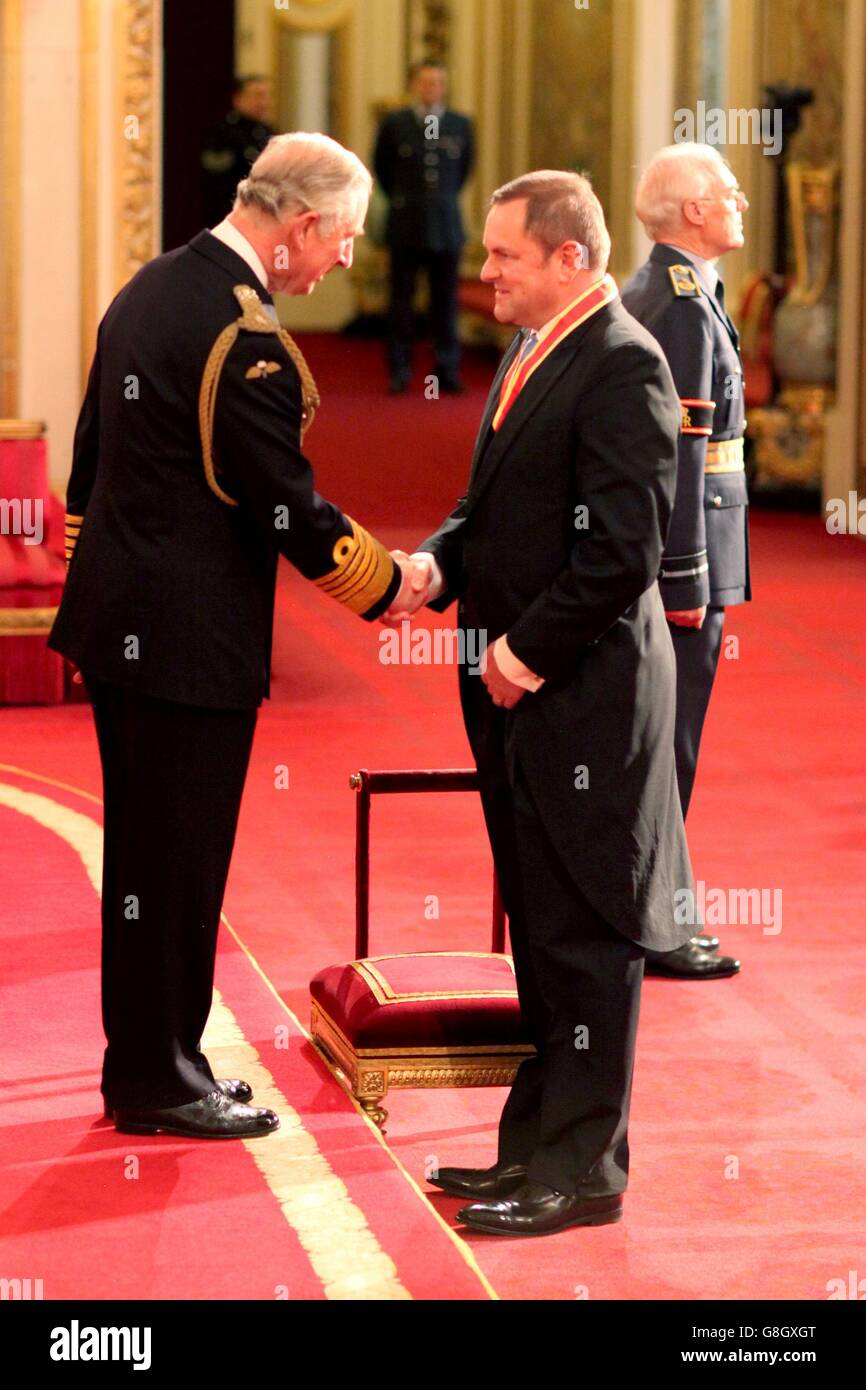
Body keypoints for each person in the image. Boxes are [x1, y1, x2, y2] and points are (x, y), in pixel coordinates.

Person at [48, 132, 430, 1141]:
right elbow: (283, 506)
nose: (343, 259)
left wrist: (104, 587)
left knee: (143, 861)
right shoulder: (243, 333)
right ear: (301, 224)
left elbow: (90, 465)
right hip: (186, 645)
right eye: (341, 238)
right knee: (174, 867)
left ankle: (145, 1059)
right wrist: (390, 582)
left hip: (123, 623)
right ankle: (159, 1076)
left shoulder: (152, 284)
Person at [383, 171, 694, 1237]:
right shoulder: (532, 349)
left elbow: (621, 554)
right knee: (541, 932)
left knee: (584, 936)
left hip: (584, 704)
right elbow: (489, 506)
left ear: (570, 258)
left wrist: (522, 650)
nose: (484, 274)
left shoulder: (622, 364)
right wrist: (433, 565)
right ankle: (532, 1147)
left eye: (503, 256)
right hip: (523, 698)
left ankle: (584, 1170)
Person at [622, 142, 750, 981]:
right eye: (729, 192)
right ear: (694, 212)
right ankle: (660, 926)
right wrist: (686, 578)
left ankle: (655, 911)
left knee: (670, 744)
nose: (741, 199)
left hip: (698, 552)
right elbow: (682, 449)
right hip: (688, 563)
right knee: (671, 750)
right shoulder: (677, 303)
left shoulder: (686, 291)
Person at [373, 60, 475, 394]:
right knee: (400, 300)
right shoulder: (395, 123)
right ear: (414, 85)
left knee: (444, 301)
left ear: (444, 87)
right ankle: (399, 370)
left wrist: (438, 202)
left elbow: (463, 171)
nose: (431, 88)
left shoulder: (461, 124)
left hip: (446, 224)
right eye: (425, 82)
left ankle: (447, 368)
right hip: (406, 222)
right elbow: (383, 169)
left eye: (437, 82)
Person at [202, 75, 276, 226]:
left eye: (267, 96)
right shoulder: (224, 133)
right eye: (257, 95)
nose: (263, 103)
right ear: (238, 99)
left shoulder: (269, 133)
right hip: (229, 212)